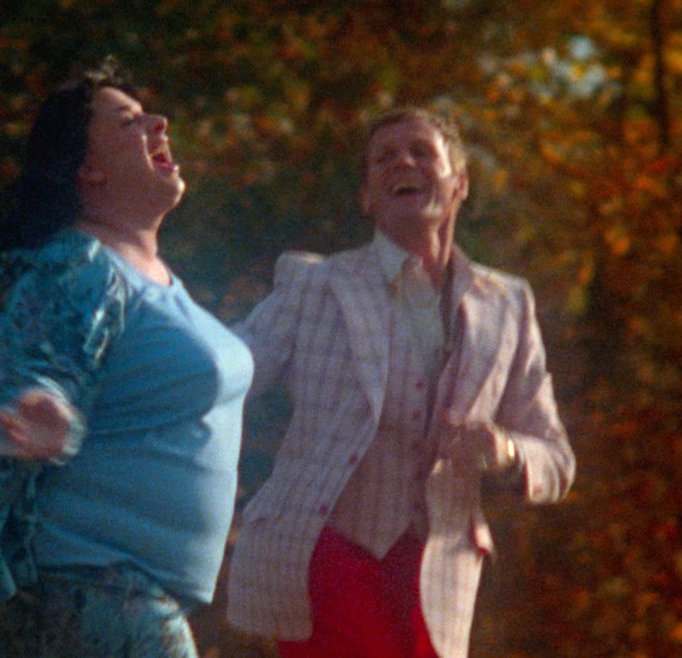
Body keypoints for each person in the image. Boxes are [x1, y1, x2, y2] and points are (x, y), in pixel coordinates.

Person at [0, 61, 253, 658]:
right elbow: (37, 366)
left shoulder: (158, 281)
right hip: (89, 585)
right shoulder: (77, 269)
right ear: (88, 170)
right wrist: (43, 409)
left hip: (118, 593)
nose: (159, 123)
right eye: (129, 122)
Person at [224, 107, 576, 658]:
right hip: (327, 555)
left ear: (460, 184)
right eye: (384, 158)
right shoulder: (316, 285)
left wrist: (505, 451)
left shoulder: (508, 303)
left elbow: (556, 460)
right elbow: (224, 372)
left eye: (421, 152)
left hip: (441, 578)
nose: (402, 163)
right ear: (367, 198)